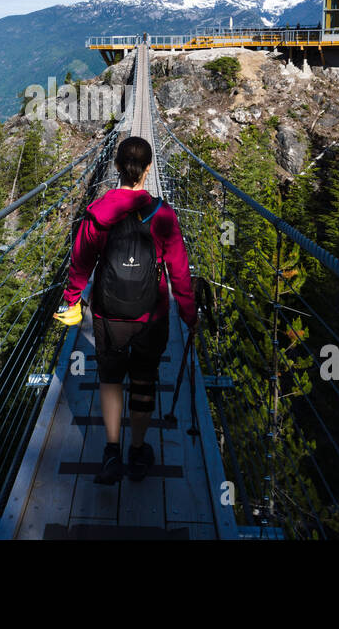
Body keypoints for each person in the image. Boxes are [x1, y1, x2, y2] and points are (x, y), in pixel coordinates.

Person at [55, 135, 197, 485]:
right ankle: (138, 451)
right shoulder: (163, 215)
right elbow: (179, 271)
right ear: (148, 169)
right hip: (153, 314)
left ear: (117, 168)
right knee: (144, 380)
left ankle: (112, 450)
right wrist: (189, 313)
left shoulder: (98, 214)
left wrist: (72, 299)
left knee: (111, 379)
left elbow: (81, 263)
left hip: (108, 313)